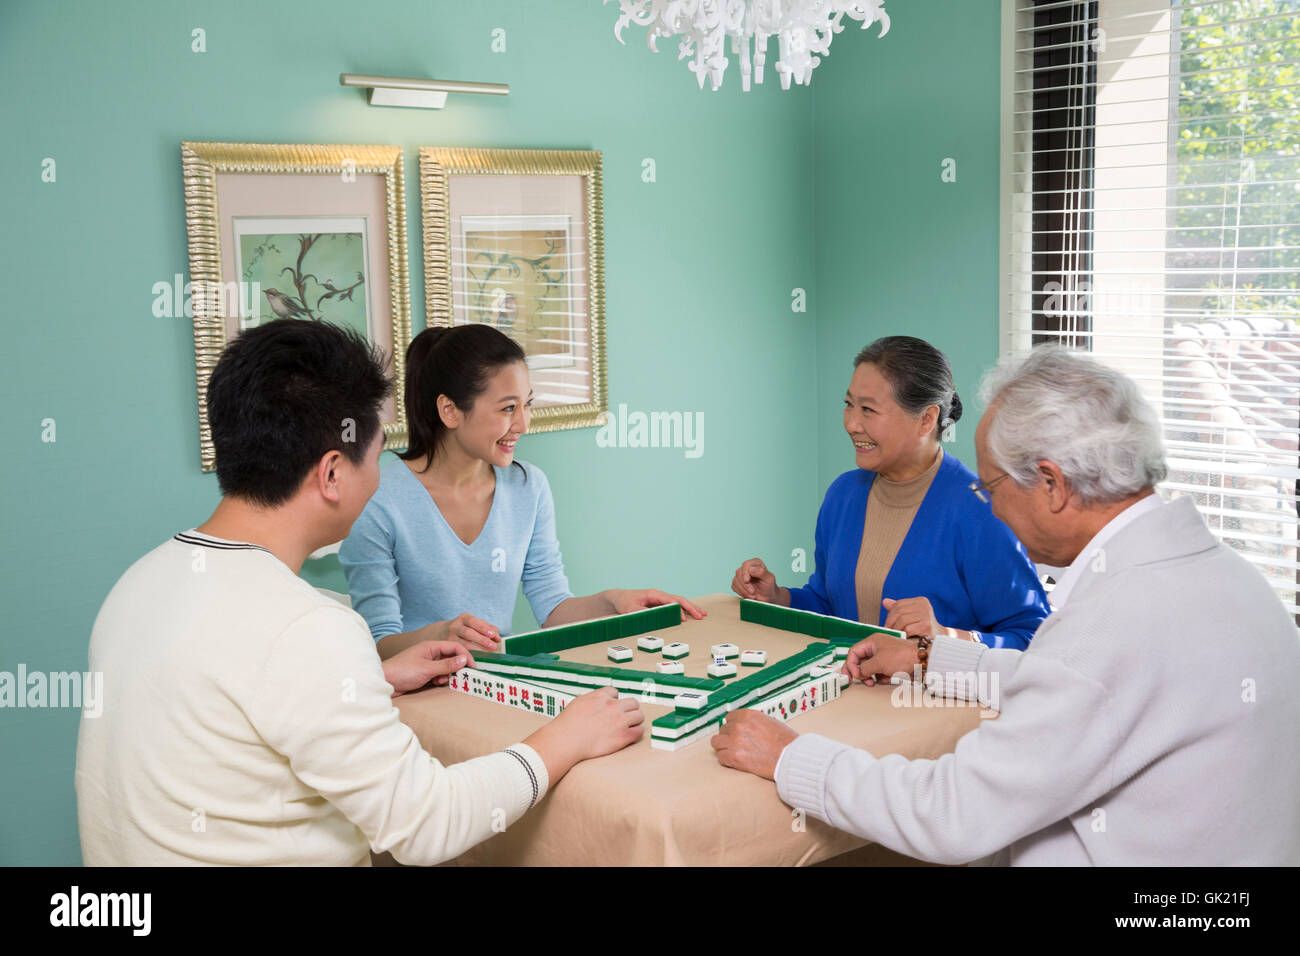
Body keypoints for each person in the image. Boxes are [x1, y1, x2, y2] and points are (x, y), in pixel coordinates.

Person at [75, 319, 644, 866]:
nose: (381, 477)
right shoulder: (308, 630)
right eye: (373, 457)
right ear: (330, 474)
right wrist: (567, 736)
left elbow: (243, 704)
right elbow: (427, 824)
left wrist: (373, 676)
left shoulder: (142, 580)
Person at [713, 345, 1300, 865]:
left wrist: (792, 758)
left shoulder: (1108, 625)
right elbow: (1080, 684)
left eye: (992, 488)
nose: (990, 509)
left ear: (1052, 483)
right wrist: (932, 660)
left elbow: (951, 814)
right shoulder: (1227, 577)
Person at [340, 324, 704, 660]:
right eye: (508, 408)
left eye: (526, 404)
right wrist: (440, 634)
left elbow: (553, 608)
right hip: (416, 697)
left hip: (499, 684)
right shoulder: (377, 498)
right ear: (449, 411)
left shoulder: (529, 487)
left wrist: (615, 601)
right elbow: (378, 643)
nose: (523, 424)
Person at [731, 336, 1049, 652]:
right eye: (848, 405)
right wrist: (777, 598)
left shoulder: (982, 509)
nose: (852, 424)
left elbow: (1031, 638)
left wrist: (943, 638)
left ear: (927, 419)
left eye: (868, 409)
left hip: (933, 702)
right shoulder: (843, 495)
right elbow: (829, 605)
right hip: (852, 696)